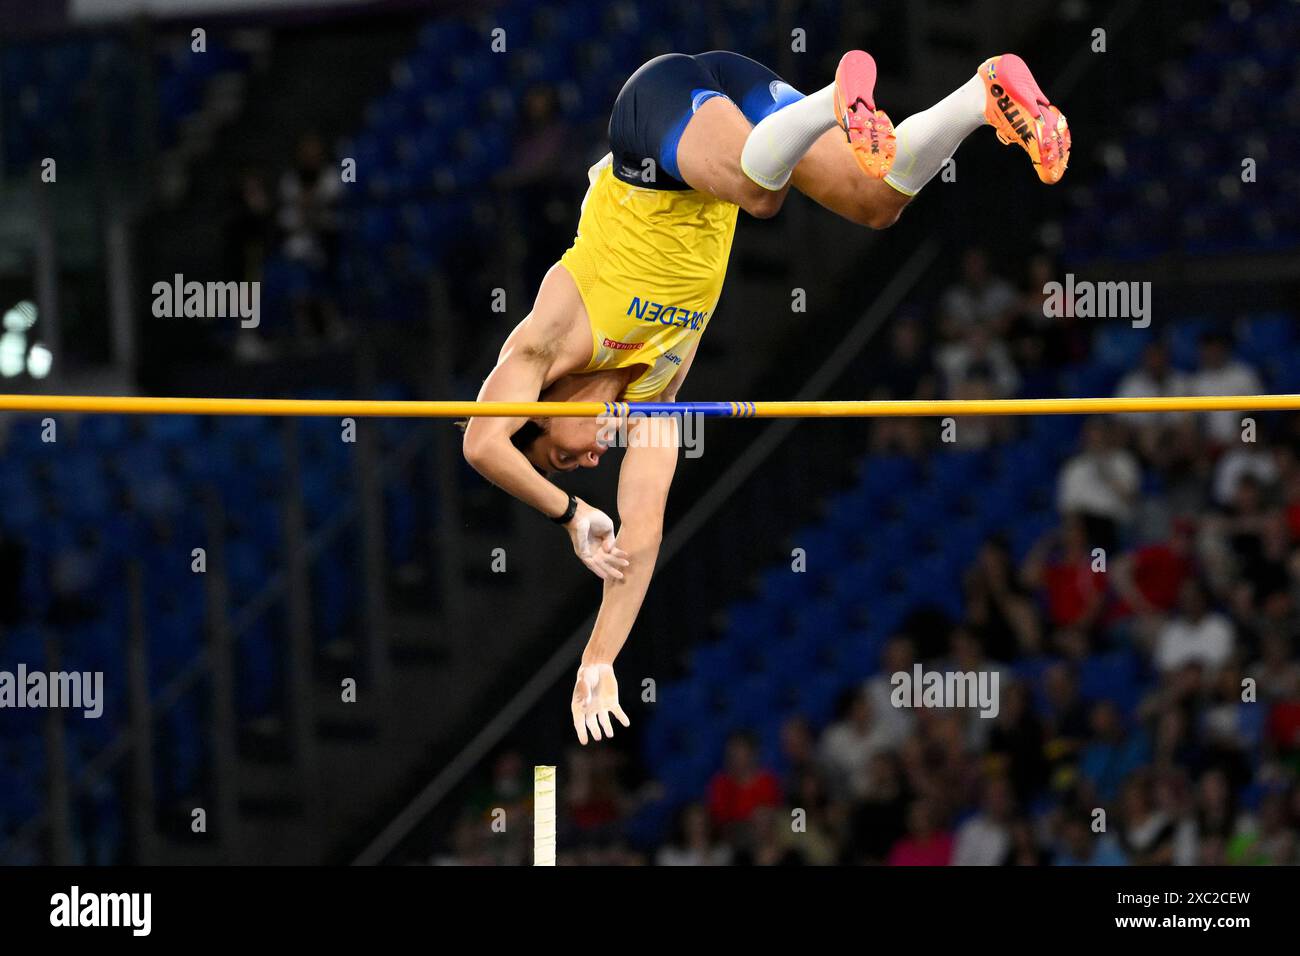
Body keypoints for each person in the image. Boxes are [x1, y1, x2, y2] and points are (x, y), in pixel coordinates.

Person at [461, 49, 1071, 744]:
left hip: (655, 120)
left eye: (562, 459)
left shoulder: (550, 334)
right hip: (737, 132)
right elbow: (644, 532)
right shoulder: (656, 392)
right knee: (875, 201)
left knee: (762, 193)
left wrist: (569, 514)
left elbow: (481, 442)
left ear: (538, 415)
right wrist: (599, 659)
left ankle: (836, 95)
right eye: (576, 474)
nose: (587, 461)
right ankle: (983, 94)